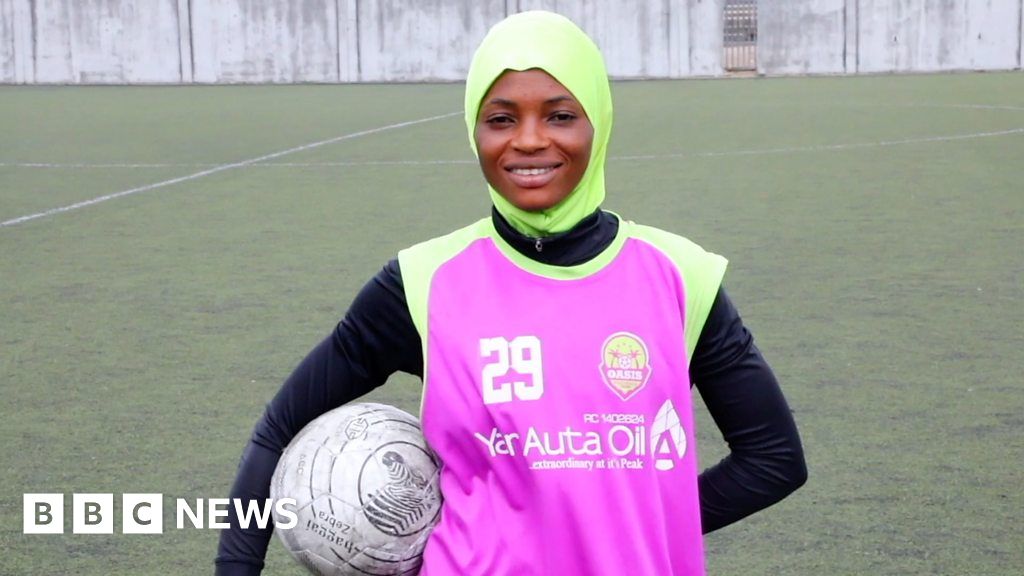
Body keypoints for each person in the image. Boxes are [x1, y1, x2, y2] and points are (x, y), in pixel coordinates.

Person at [216, 10, 806, 576]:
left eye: (559, 115)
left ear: (597, 122)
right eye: (501, 119)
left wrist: (636, 525)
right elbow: (279, 429)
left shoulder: (681, 277)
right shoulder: (423, 282)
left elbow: (774, 460)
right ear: (474, 130)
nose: (527, 141)